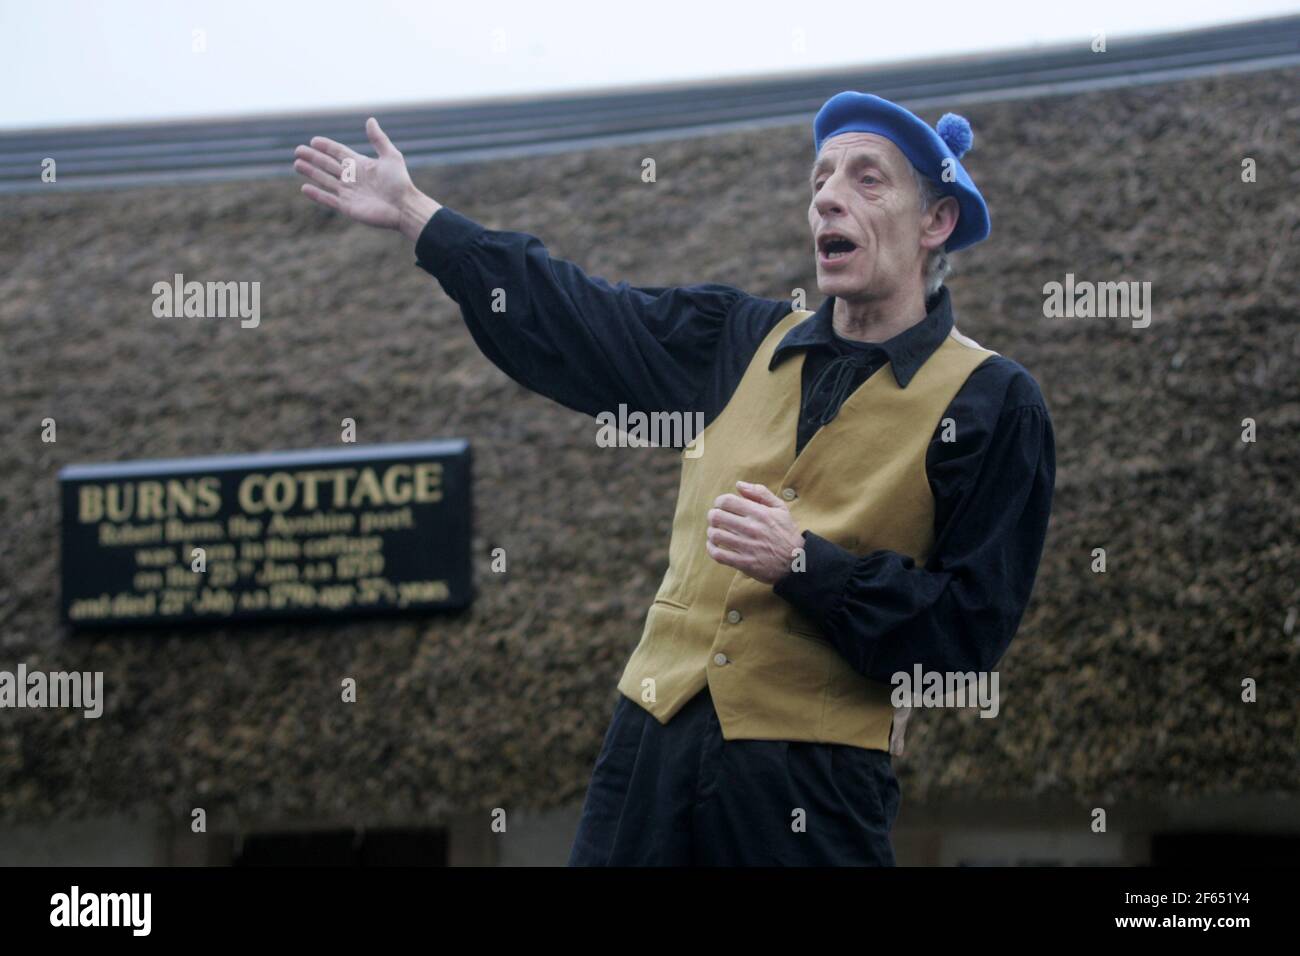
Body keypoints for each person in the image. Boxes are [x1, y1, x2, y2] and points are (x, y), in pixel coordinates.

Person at [292, 91, 1055, 866]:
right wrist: (418, 214)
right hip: (646, 758)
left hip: (812, 790)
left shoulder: (995, 402)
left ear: (936, 222)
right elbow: (576, 317)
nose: (827, 194)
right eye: (821, 177)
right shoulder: (737, 338)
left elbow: (965, 639)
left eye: (867, 179)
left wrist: (807, 566)